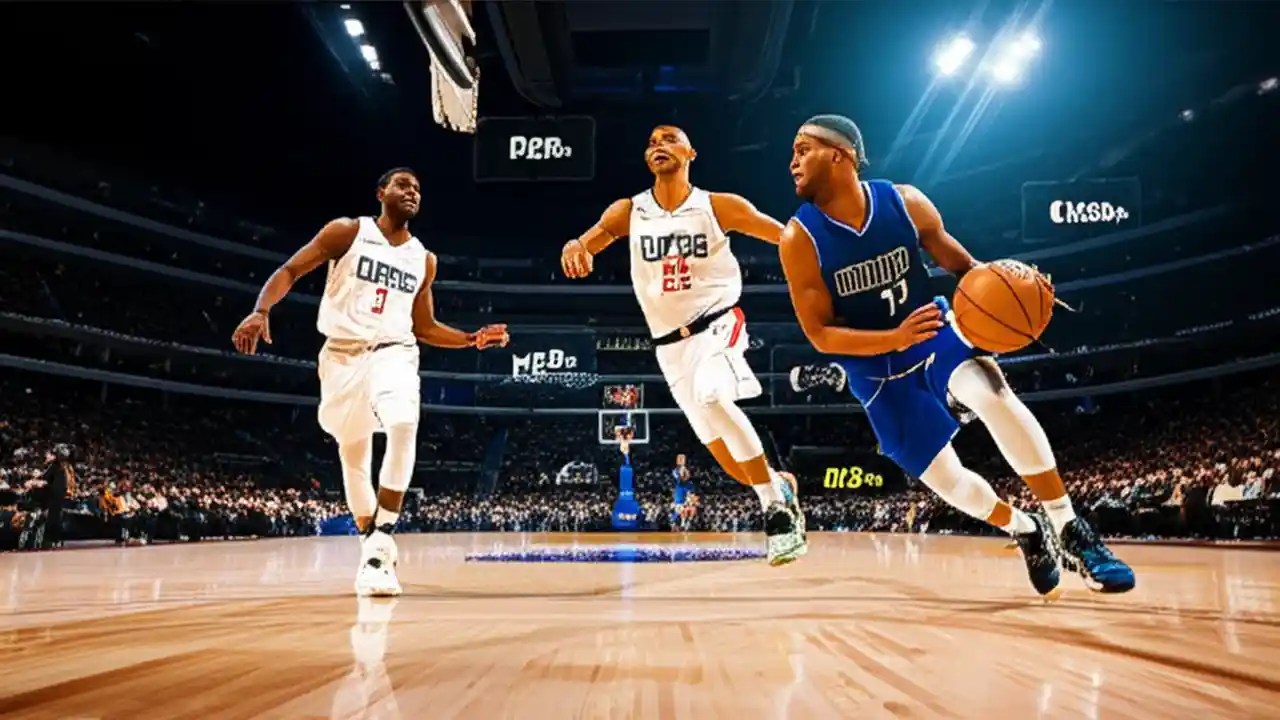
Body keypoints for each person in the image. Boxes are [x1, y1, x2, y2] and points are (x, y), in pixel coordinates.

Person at [777, 115, 1135, 596]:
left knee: (989, 390)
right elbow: (821, 335)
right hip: (876, 370)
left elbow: (966, 269)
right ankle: (1026, 529)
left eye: (803, 149)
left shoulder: (903, 202)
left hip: (930, 331)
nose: (792, 161)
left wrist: (1014, 289)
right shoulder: (799, 239)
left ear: (839, 154)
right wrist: (892, 338)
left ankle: (1070, 527)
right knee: (949, 483)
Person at [232, 167, 508, 596]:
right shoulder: (348, 231)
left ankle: (382, 538)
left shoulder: (424, 258)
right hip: (341, 354)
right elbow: (290, 270)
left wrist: (471, 339)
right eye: (403, 185)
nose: (412, 192)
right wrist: (261, 309)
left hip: (393, 352)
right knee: (353, 451)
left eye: (418, 187)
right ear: (381, 192)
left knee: (402, 422)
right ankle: (372, 549)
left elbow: (425, 326)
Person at [561, 125, 806, 565]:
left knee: (714, 396)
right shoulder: (629, 211)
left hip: (716, 324)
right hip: (669, 350)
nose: (658, 145)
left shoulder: (717, 206)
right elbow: (589, 240)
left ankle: (776, 510)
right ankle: (777, 483)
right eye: (652, 141)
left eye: (669, 139)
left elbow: (785, 236)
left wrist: (821, 253)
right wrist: (576, 246)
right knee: (726, 456)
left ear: (691, 152)